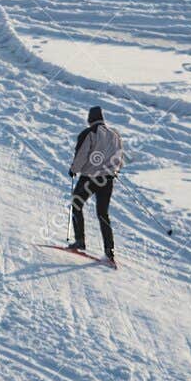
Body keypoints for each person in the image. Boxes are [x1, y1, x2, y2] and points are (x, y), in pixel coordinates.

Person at [65, 105, 123, 264]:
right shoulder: (115, 135)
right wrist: (114, 171)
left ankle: (80, 240)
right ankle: (109, 251)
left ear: (90, 119)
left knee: (77, 204)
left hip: (90, 177)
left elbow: (81, 154)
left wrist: (74, 169)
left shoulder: (88, 133)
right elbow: (119, 156)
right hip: (107, 179)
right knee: (103, 213)